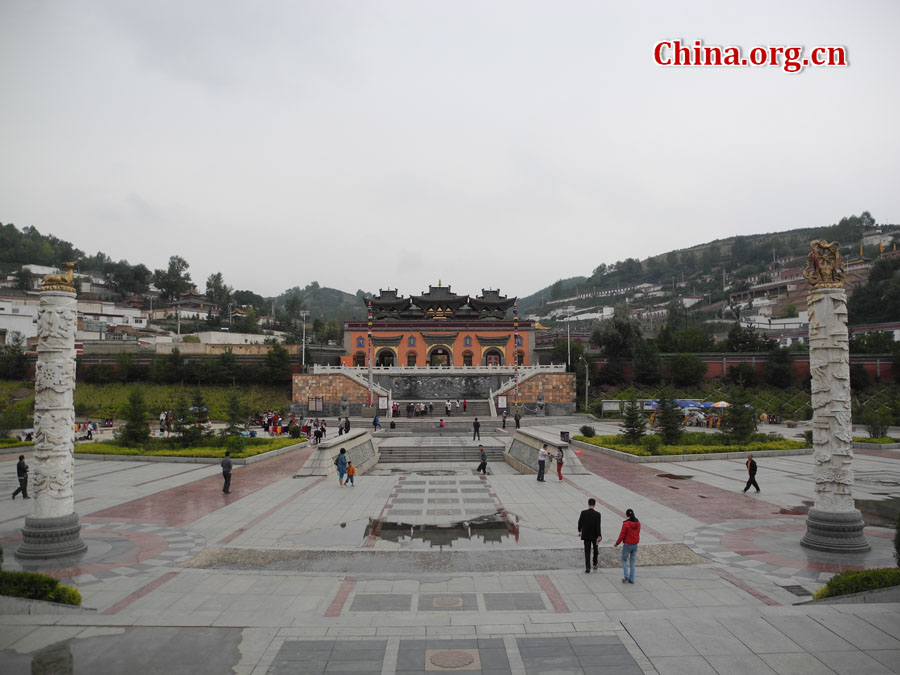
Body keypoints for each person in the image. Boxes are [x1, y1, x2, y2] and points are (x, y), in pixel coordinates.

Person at [614, 508, 641, 584]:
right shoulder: (638, 523)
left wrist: (617, 543)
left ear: (627, 515)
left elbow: (622, 535)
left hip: (627, 545)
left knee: (624, 560)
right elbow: (638, 532)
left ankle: (626, 576)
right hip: (635, 544)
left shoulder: (626, 524)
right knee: (632, 562)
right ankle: (632, 579)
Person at [577, 498, 602, 573]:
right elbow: (598, 526)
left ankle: (588, 567)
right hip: (595, 535)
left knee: (587, 551)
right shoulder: (597, 514)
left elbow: (580, 523)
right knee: (595, 549)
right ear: (594, 505)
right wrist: (599, 535)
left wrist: (580, 531)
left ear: (588, 504)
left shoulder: (583, 513)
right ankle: (595, 562)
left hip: (586, 535)